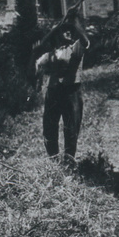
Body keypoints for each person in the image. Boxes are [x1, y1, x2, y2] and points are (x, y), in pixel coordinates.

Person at [34, 12, 90, 163]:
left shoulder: (76, 48)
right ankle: (53, 161)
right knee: (49, 128)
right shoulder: (50, 54)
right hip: (53, 93)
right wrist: (36, 54)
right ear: (57, 35)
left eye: (69, 31)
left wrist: (73, 23)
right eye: (63, 30)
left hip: (71, 93)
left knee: (71, 128)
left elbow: (85, 41)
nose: (67, 33)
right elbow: (37, 66)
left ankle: (69, 161)